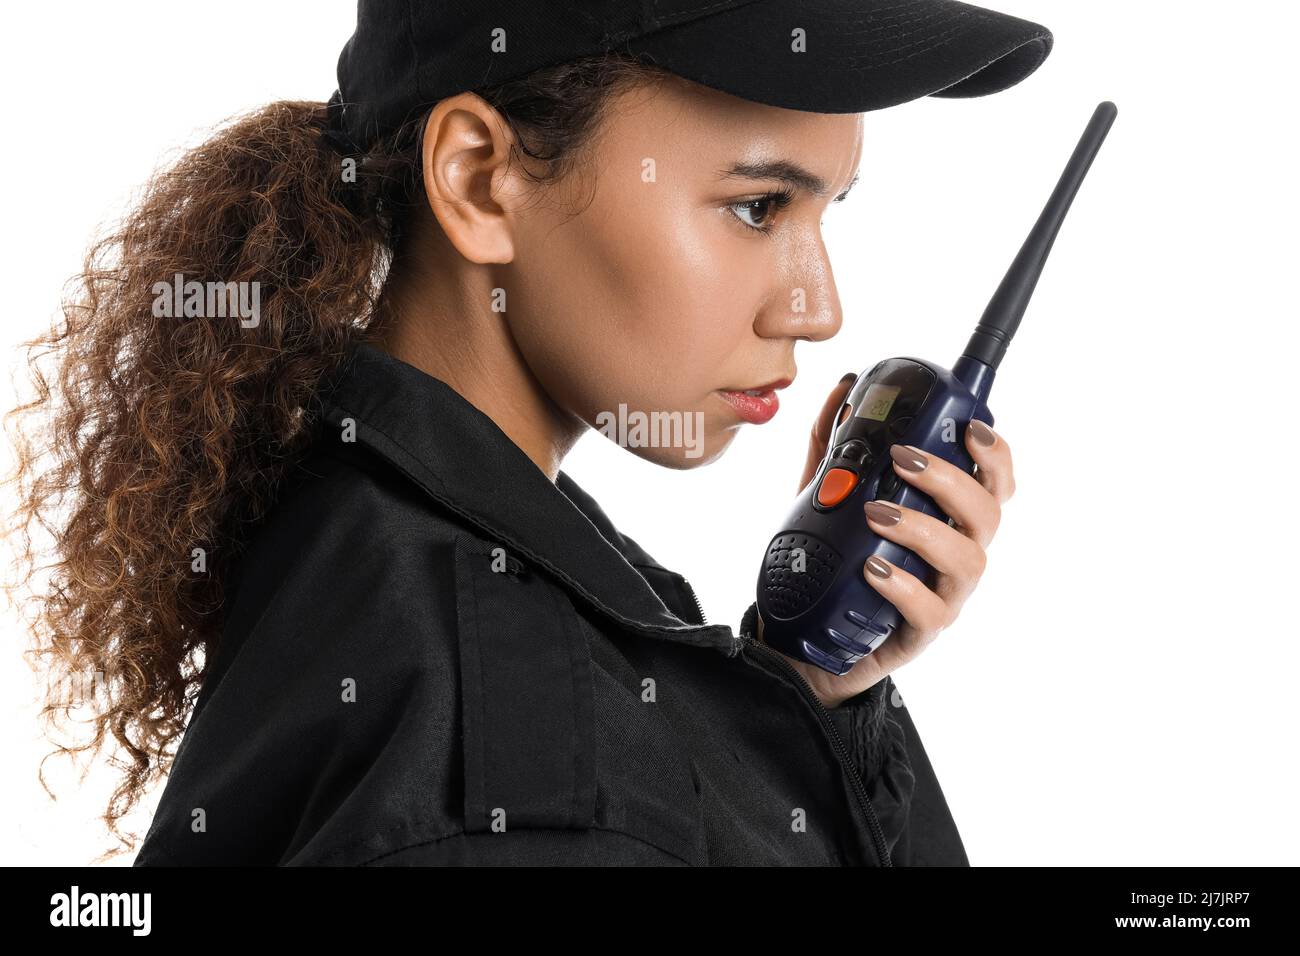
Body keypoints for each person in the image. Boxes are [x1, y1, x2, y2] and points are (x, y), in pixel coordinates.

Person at [12, 0, 1042, 865]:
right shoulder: (538, 766)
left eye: (831, 209)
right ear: (475, 179)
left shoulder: (371, 533)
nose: (818, 309)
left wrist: (810, 692)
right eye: (758, 205)